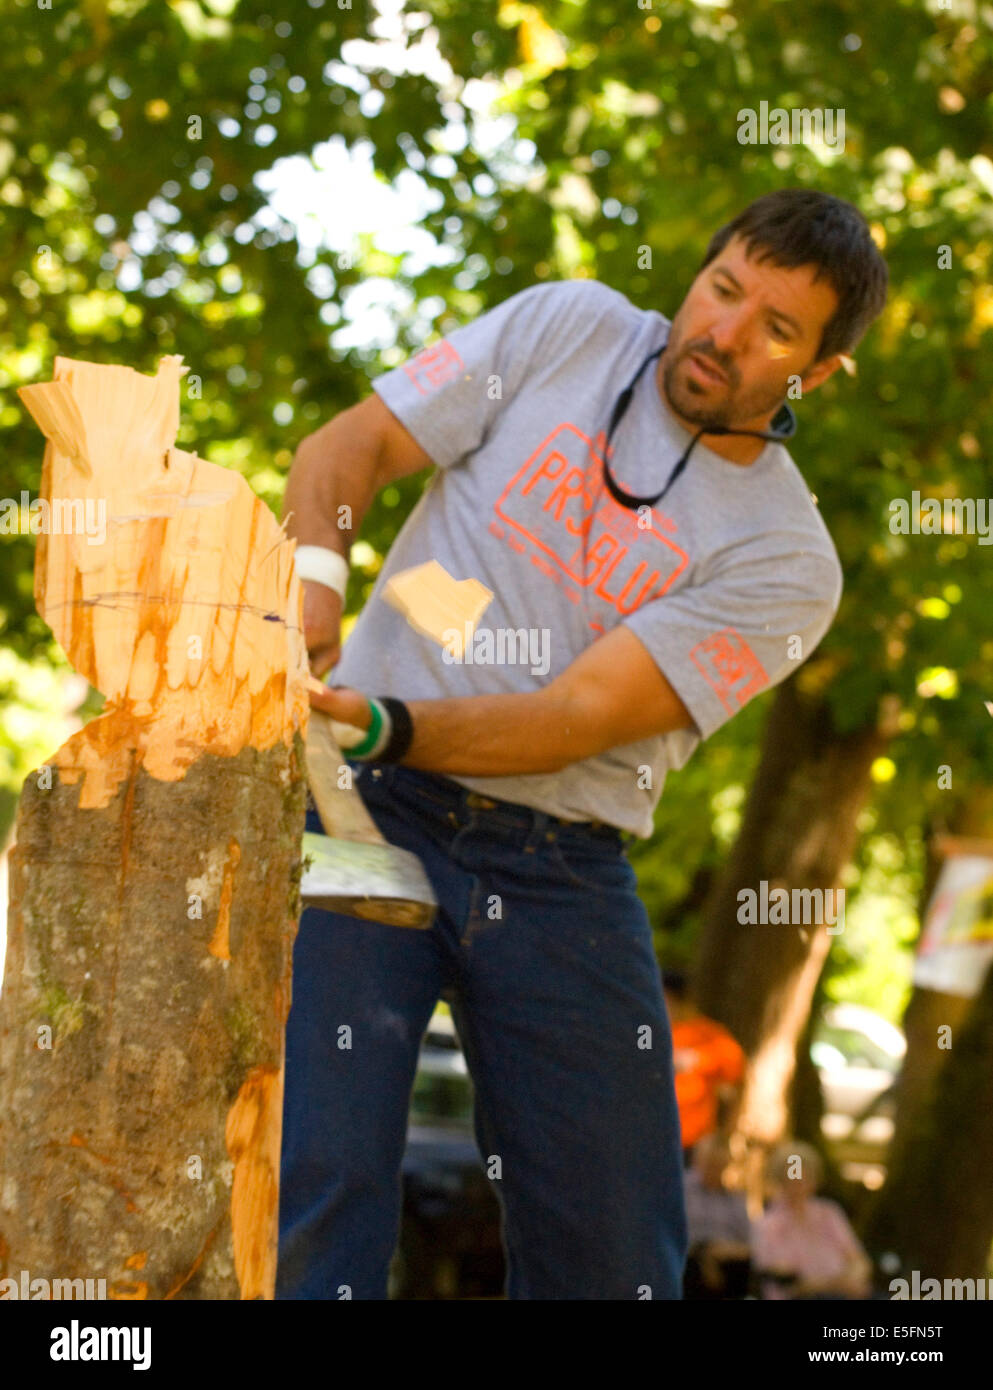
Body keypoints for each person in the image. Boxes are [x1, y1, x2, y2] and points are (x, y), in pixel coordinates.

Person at [276, 189, 888, 1300]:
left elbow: (572, 719)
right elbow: (349, 447)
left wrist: (387, 717)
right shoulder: (566, 328)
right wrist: (317, 584)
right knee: (314, 1184)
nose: (725, 333)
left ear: (818, 374)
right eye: (722, 289)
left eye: (777, 330)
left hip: (559, 866)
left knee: (614, 1258)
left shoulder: (790, 563)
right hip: (361, 810)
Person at [753, 1140, 874, 1300]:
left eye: (805, 1176)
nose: (799, 1183)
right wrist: (837, 1284)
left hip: (845, 1293)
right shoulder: (768, 1224)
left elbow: (859, 1259)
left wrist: (854, 1279)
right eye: (793, 1176)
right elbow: (788, 1281)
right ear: (780, 1180)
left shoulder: (829, 1212)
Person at [663, 971, 745, 1160]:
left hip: (694, 1138)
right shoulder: (649, 1032)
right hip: (655, 1132)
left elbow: (735, 1067)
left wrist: (698, 1060)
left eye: (668, 1000)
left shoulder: (706, 1032)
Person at [682, 1135, 752, 1299]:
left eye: (719, 1164)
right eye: (710, 1163)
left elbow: (749, 1244)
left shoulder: (736, 1199)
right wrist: (706, 1255)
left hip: (728, 1264)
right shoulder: (681, 1191)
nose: (714, 1169)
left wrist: (721, 1253)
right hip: (690, 1261)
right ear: (697, 1160)